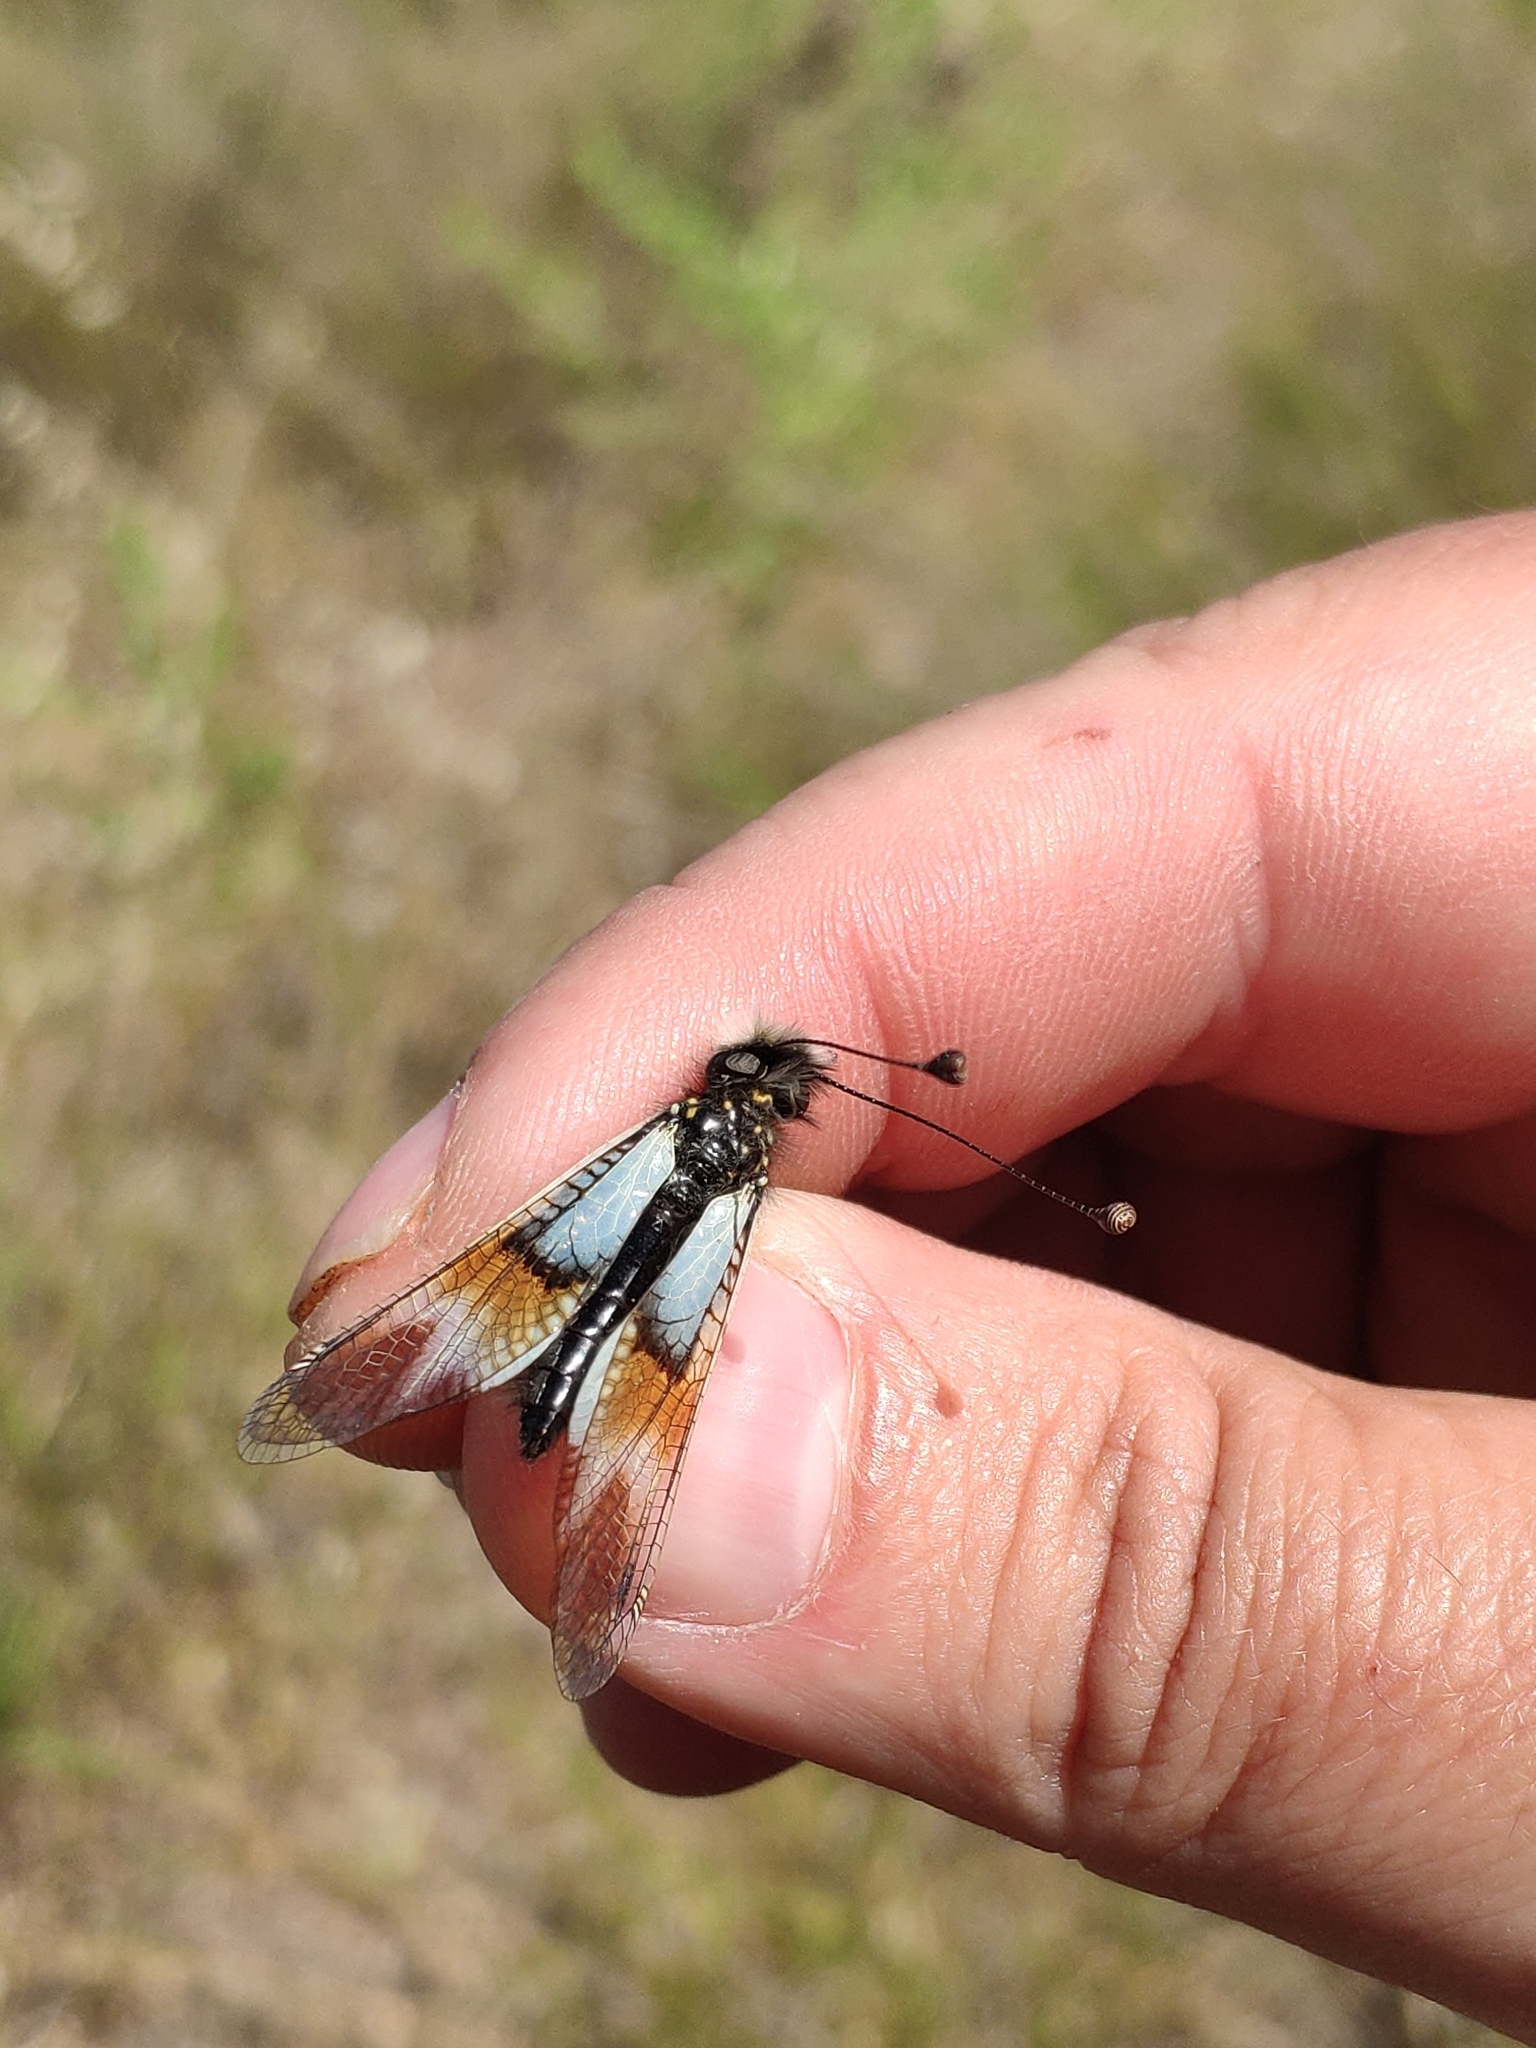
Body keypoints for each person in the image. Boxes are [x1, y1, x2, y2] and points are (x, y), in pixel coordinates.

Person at [284, 514, 1536, 2042]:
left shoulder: (697, 1133)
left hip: (605, 1260)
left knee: (590, 1348)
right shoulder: (722, 1153)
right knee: (609, 1363)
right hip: (642, 1269)